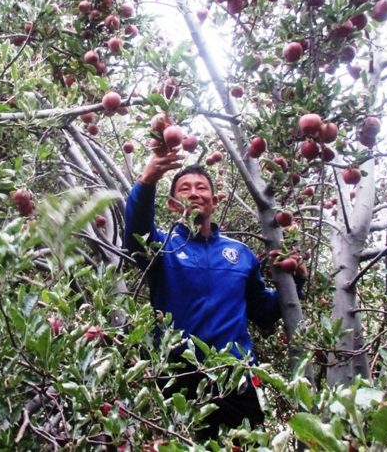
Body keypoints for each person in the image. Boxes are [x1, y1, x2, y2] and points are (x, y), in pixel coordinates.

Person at [124, 144, 302, 439]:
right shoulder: (162, 247)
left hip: (236, 379)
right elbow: (135, 237)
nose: (194, 193)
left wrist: (295, 282)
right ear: (171, 204)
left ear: (214, 200)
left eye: (201, 187)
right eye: (184, 188)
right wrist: (146, 182)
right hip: (178, 378)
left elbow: (265, 313)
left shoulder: (241, 254)